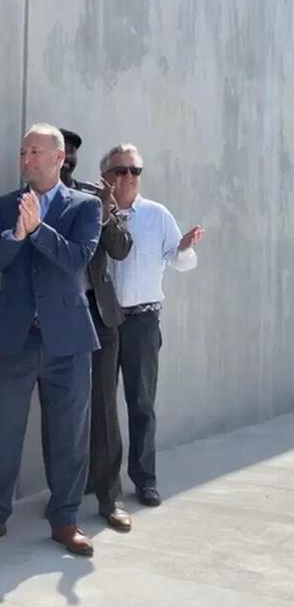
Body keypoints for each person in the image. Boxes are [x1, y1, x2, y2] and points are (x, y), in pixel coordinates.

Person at [0, 123, 101, 556]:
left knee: (68, 435)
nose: (27, 160)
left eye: (36, 152)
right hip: (14, 339)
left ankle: (65, 519)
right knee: (2, 431)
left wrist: (38, 230)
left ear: (59, 158)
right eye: (23, 152)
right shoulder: (4, 207)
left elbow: (76, 259)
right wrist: (18, 234)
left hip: (68, 341)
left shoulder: (86, 207)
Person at [100, 143, 203, 507]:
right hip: (104, 323)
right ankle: (103, 480)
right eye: (120, 170)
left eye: (134, 170)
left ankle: (145, 479)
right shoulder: (96, 214)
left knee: (141, 402)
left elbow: (180, 262)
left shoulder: (157, 216)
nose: (127, 176)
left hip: (143, 321)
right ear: (106, 176)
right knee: (102, 405)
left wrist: (185, 247)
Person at [56, 128, 134, 532]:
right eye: (60, 152)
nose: (66, 159)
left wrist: (106, 214)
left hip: (100, 315)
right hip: (58, 318)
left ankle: (110, 497)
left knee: (104, 408)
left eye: (71, 154)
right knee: (63, 410)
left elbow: (121, 248)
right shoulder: (36, 198)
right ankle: (63, 498)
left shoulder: (94, 195)